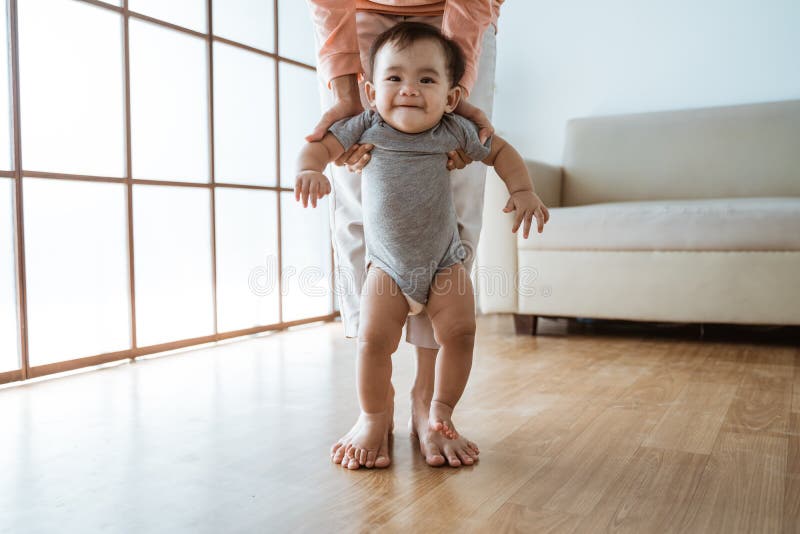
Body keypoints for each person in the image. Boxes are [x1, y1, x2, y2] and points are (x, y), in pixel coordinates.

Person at [296, 21, 549, 469]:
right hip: (387, 269)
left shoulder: (453, 130)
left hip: (444, 263)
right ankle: (375, 415)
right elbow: (318, 146)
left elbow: (502, 152)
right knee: (373, 342)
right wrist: (312, 170)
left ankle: (439, 411)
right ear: (371, 91)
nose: (409, 89)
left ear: (452, 98)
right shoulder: (365, 125)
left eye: (426, 80)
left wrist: (523, 190)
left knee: (460, 334)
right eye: (394, 78)